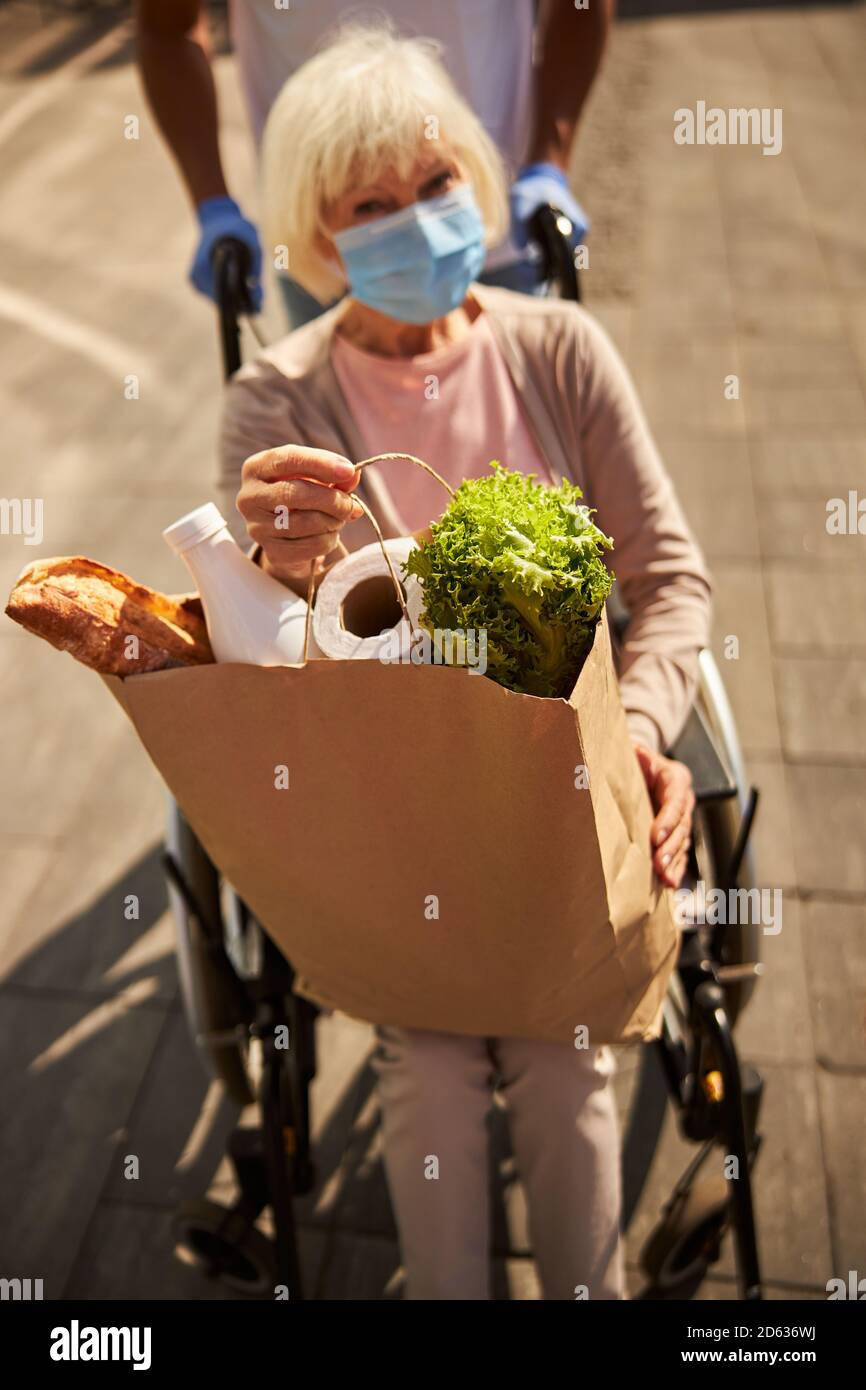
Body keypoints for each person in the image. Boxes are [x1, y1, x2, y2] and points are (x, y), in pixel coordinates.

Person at [221, 23, 709, 1299]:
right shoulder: (276, 407)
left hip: (571, 803)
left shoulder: (559, 351)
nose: (414, 219)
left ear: (480, 189)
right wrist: (270, 570)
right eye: (369, 204)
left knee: (565, 1056)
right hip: (403, 825)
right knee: (429, 1065)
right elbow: (263, 679)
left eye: (436, 186)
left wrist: (645, 739)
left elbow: (666, 582)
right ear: (317, 238)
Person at [135, 0, 613, 323]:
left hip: (490, 232)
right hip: (332, 246)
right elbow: (166, 27)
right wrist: (211, 203)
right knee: (340, 463)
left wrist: (548, 162)